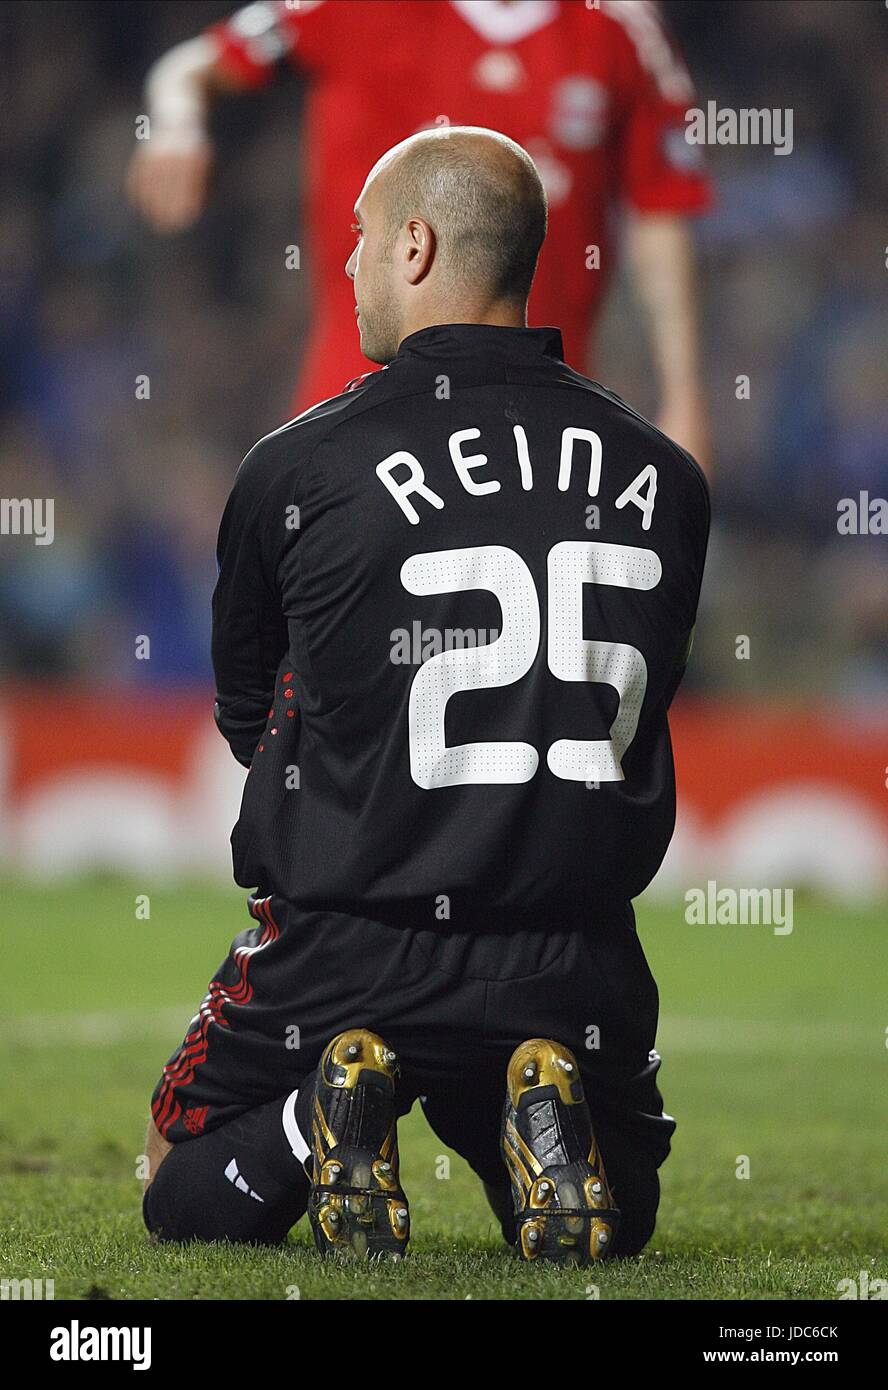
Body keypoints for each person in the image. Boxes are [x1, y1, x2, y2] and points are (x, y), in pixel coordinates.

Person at [142, 125, 709, 1264]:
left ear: (413, 245)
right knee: (617, 1220)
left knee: (176, 1182)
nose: (342, 265)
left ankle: (323, 1111)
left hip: (349, 947)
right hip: (571, 955)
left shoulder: (295, 469)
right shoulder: (666, 476)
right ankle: (532, 1096)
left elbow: (249, 717)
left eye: (354, 238)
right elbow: (627, 711)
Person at [127, 0, 712, 463]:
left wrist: (684, 396)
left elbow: (659, 209)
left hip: (544, 418)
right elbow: (190, 68)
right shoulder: (350, 7)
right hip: (358, 396)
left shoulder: (619, 27)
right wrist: (176, 126)